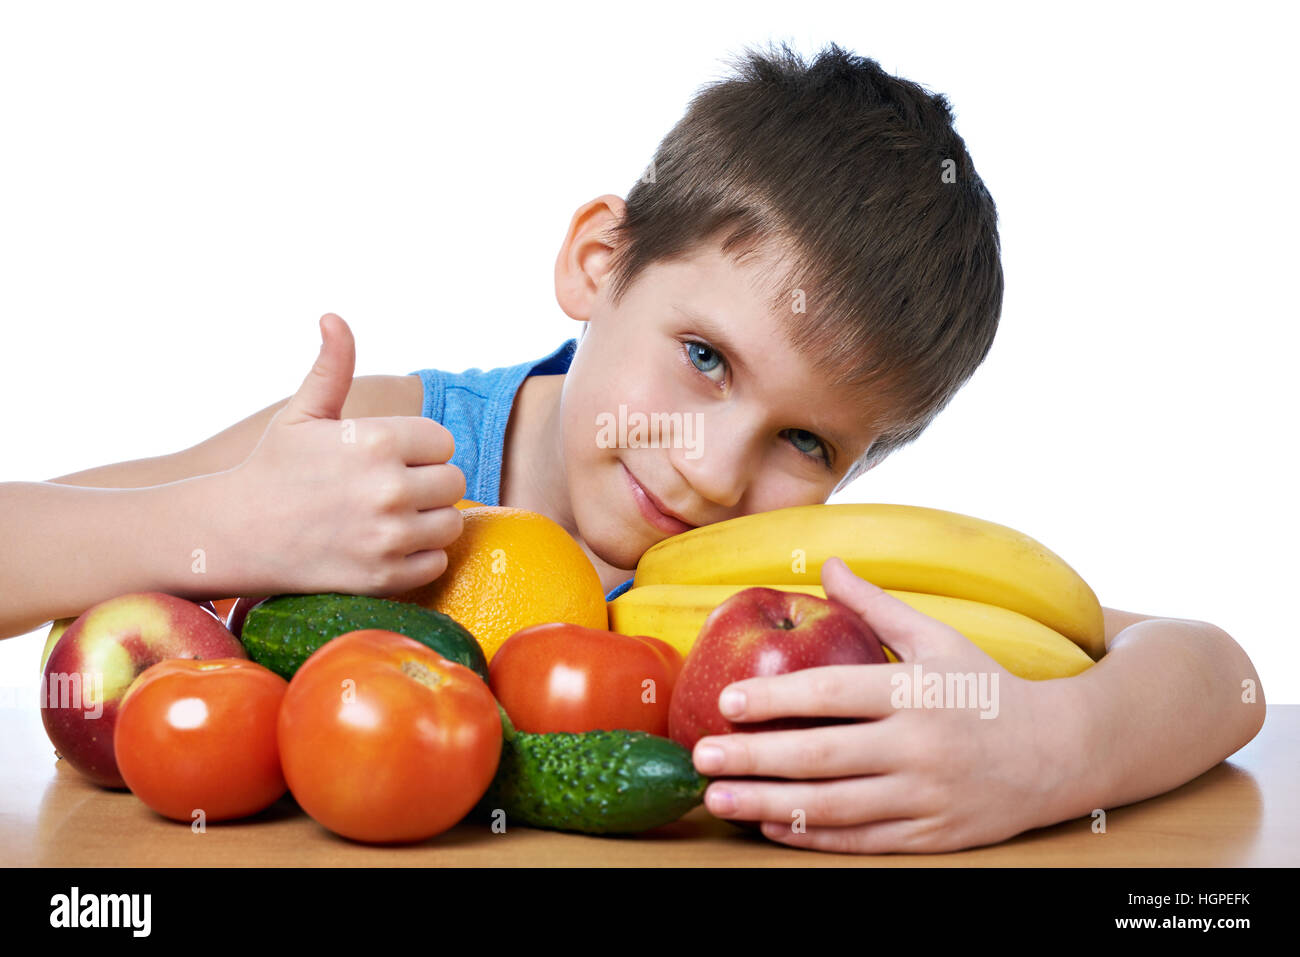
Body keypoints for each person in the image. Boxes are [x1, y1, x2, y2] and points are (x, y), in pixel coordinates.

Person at [0, 42, 1264, 853]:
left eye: (808, 440)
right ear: (598, 263)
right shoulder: (399, 445)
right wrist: (233, 521)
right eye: (703, 357)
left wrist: (1050, 758)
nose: (712, 470)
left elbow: (1224, 679)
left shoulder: (801, 594)